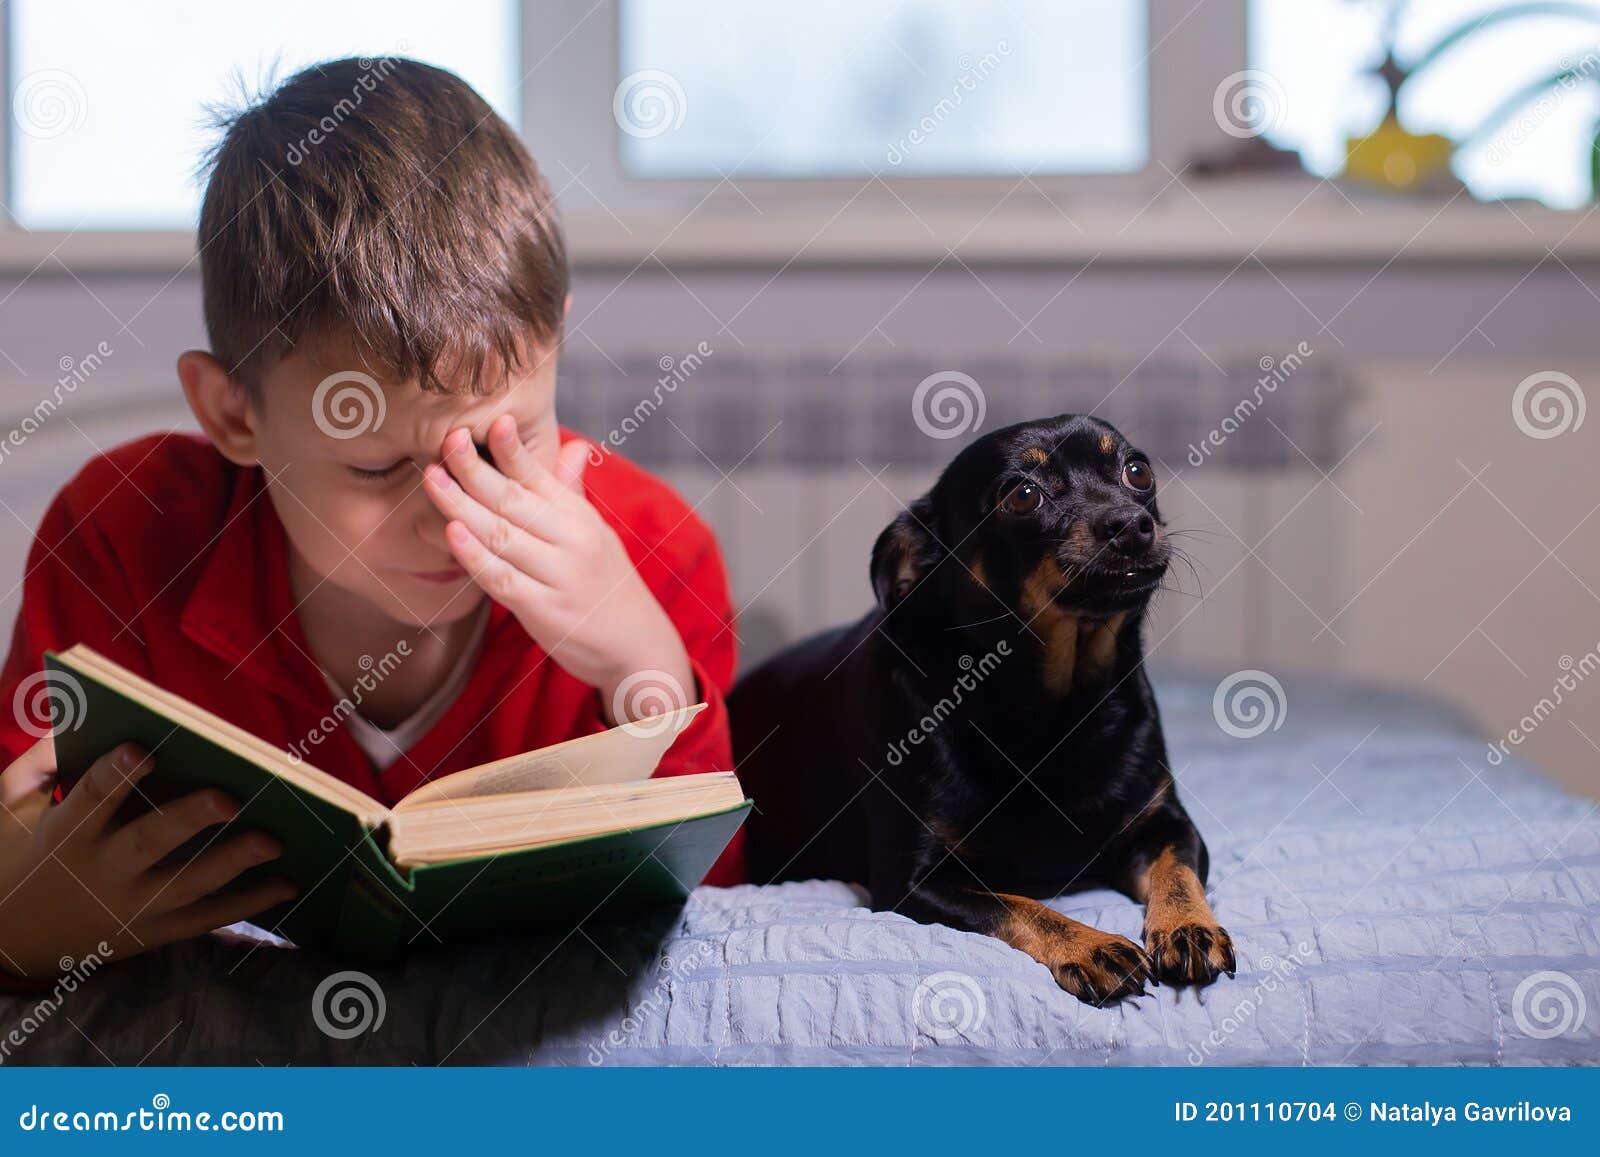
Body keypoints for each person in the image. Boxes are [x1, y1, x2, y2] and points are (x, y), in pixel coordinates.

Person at [0, 57, 743, 991]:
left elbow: (718, 924)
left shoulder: (652, 544)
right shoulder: (121, 530)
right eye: (376, 467)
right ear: (234, 412)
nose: (448, 522)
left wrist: (643, 667)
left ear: (556, 340)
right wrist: (23, 927)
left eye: (502, 446)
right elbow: (23, 827)